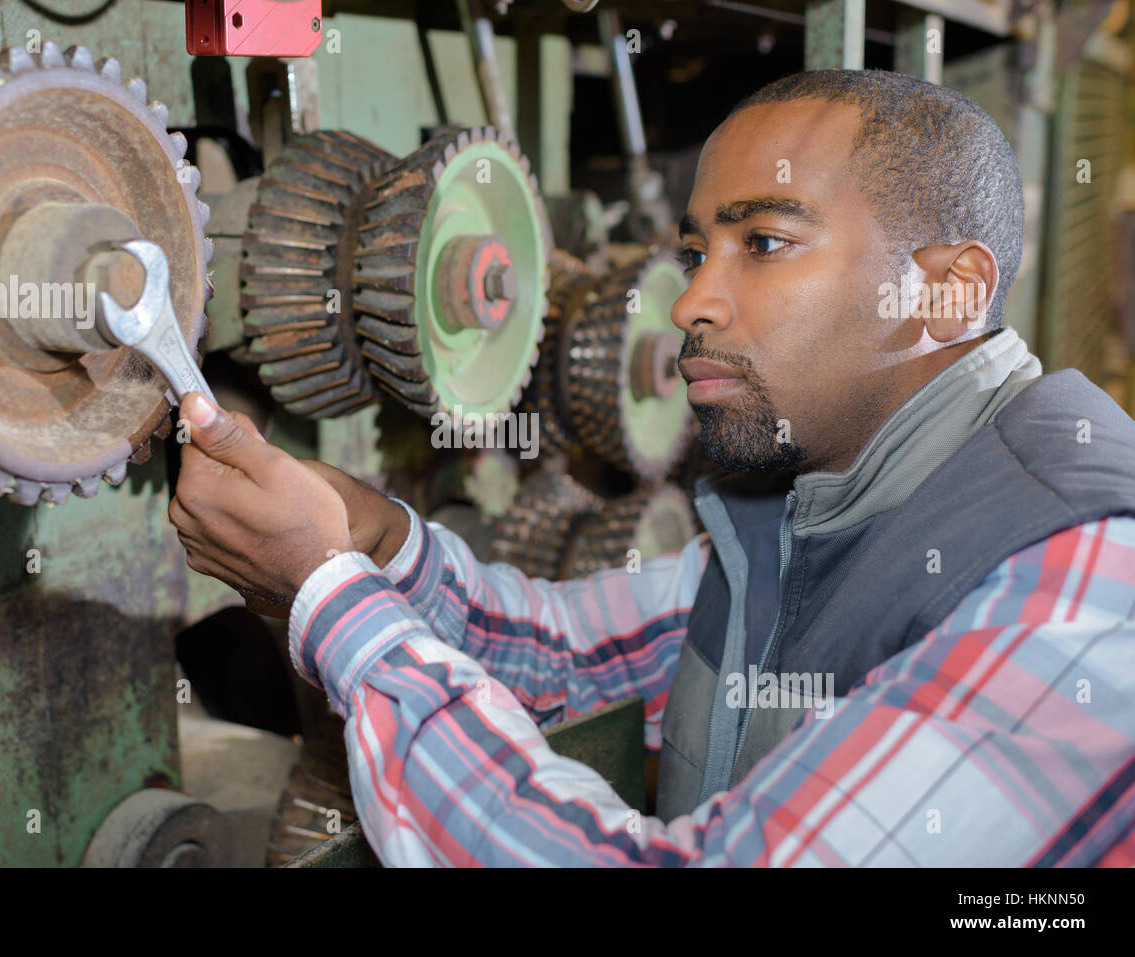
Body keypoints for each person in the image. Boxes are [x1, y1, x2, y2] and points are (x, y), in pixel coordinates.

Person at [169, 69, 1135, 866]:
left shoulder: (1086, 586)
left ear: (947, 291)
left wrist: (339, 612)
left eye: (763, 242)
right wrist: (379, 546)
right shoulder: (809, 512)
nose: (689, 302)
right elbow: (562, 654)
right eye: (693, 250)